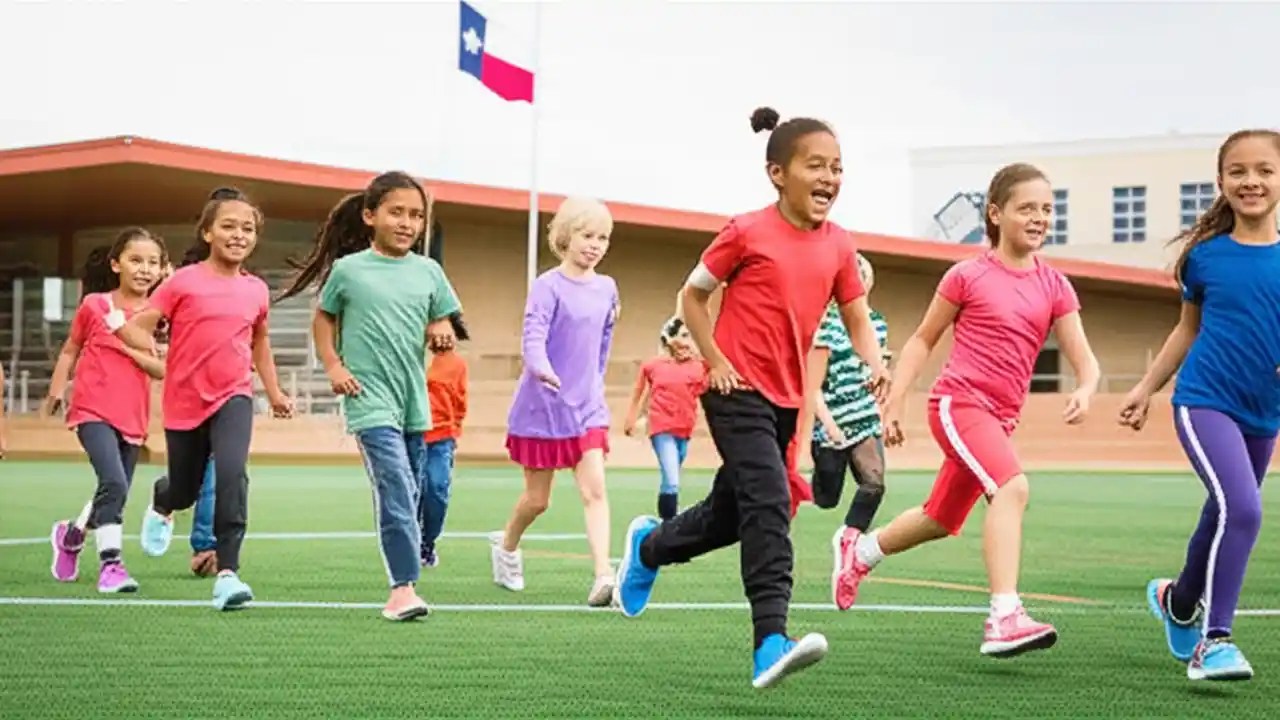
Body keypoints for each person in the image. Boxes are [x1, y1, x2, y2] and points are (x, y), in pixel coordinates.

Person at [614, 106, 890, 689]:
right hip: (735, 389)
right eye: (815, 166)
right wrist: (715, 361)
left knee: (733, 516)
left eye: (837, 168)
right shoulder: (746, 230)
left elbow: (857, 318)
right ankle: (770, 640)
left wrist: (876, 363)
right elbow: (691, 298)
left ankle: (650, 548)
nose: (829, 179)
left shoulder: (840, 244)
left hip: (788, 402)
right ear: (777, 173)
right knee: (768, 503)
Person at [838, 162, 1100, 660]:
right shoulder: (967, 275)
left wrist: (1086, 389)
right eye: (1027, 208)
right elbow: (922, 340)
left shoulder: (1055, 286)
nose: (1040, 217)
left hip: (999, 419)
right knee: (1011, 487)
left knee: (942, 517)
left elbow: (1084, 359)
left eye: (1047, 209)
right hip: (959, 405)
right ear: (996, 214)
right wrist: (893, 405)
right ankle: (1004, 616)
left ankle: (859, 553)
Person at [1119, 129, 1280, 682]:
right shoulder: (1204, 258)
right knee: (1245, 508)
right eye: (1238, 171)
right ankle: (1215, 641)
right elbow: (1186, 332)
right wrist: (1146, 388)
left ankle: (1179, 600)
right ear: (1221, 181)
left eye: (1264, 170)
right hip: (1204, 400)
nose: (1251, 181)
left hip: (1264, 412)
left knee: (1223, 511)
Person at [279, 171, 461, 621]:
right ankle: (402, 589)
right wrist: (334, 366)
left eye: (415, 215)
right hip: (368, 398)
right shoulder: (349, 270)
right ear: (369, 215)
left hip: (414, 401)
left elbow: (443, 322)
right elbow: (323, 319)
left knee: (423, 490)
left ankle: (416, 550)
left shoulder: (429, 272)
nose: (406, 222)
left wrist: (440, 328)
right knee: (396, 484)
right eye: (396, 212)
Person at [116, 190, 293, 611]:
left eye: (247, 229)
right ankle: (163, 501)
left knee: (232, 474)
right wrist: (154, 349)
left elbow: (260, 342)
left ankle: (228, 574)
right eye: (229, 226)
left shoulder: (256, 290)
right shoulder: (183, 280)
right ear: (208, 232)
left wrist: (274, 390)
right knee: (185, 489)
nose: (238, 235)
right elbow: (136, 327)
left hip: (234, 395)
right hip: (184, 400)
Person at [492, 196, 619, 607]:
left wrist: (594, 385)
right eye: (587, 235)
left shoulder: (607, 289)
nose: (595, 244)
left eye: (602, 237)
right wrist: (542, 367)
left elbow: (602, 345)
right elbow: (533, 335)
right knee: (537, 501)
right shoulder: (547, 286)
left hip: (587, 408)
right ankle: (507, 546)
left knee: (595, 489)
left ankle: (603, 575)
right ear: (566, 237)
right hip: (543, 407)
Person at [45, 228, 167, 592]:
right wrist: (56, 389)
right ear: (116, 264)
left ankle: (70, 535)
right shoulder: (95, 305)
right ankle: (111, 566)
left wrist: (125, 346)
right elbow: (71, 348)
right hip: (91, 409)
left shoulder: (155, 315)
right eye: (135, 260)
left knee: (113, 490)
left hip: (134, 416)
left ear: (162, 270)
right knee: (113, 483)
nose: (145, 269)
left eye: (153, 262)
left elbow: (162, 370)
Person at [800, 251, 891, 610]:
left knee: (874, 482)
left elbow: (876, 373)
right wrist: (828, 424)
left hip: (865, 419)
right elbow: (813, 385)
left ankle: (850, 540)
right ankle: (805, 479)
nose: (859, 280)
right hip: (832, 424)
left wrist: (886, 414)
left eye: (864, 274)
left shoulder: (878, 324)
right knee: (827, 499)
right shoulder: (826, 325)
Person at [623, 316, 708, 520]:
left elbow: (708, 388)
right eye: (684, 335)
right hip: (661, 428)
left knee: (671, 477)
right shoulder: (654, 366)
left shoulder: (698, 367)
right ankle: (669, 524)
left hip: (684, 430)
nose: (688, 341)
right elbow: (640, 392)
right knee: (672, 479)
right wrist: (632, 418)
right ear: (669, 339)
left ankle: (667, 519)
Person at [420, 311, 470, 568]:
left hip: (441, 437)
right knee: (412, 491)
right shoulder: (410, 355)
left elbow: (460, 401)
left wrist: (454, 429)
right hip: (411, 433)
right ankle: (410, 543)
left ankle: (427, 542)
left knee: (437, 489)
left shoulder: (456, 364)